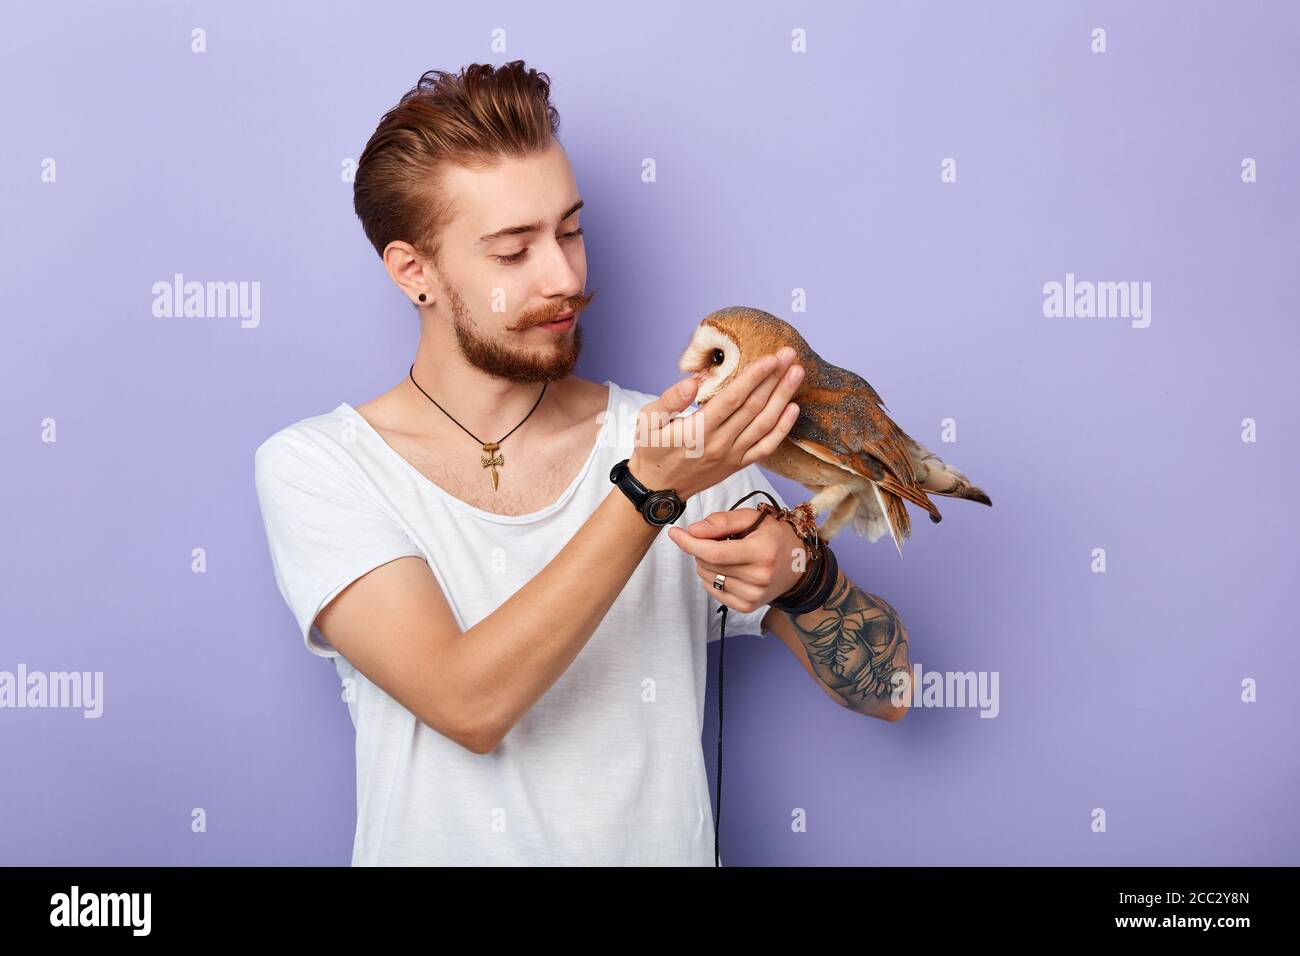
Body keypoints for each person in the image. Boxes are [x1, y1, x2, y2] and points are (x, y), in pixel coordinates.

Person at [253, 61, 910, 866]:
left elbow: (890, 693)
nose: (565, 278)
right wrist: (647, 495)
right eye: (512, 251)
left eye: (569, 230)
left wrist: (806, 578)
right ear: (413, 272)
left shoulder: (679, 442)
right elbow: (469, 703)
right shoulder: (321, 466)